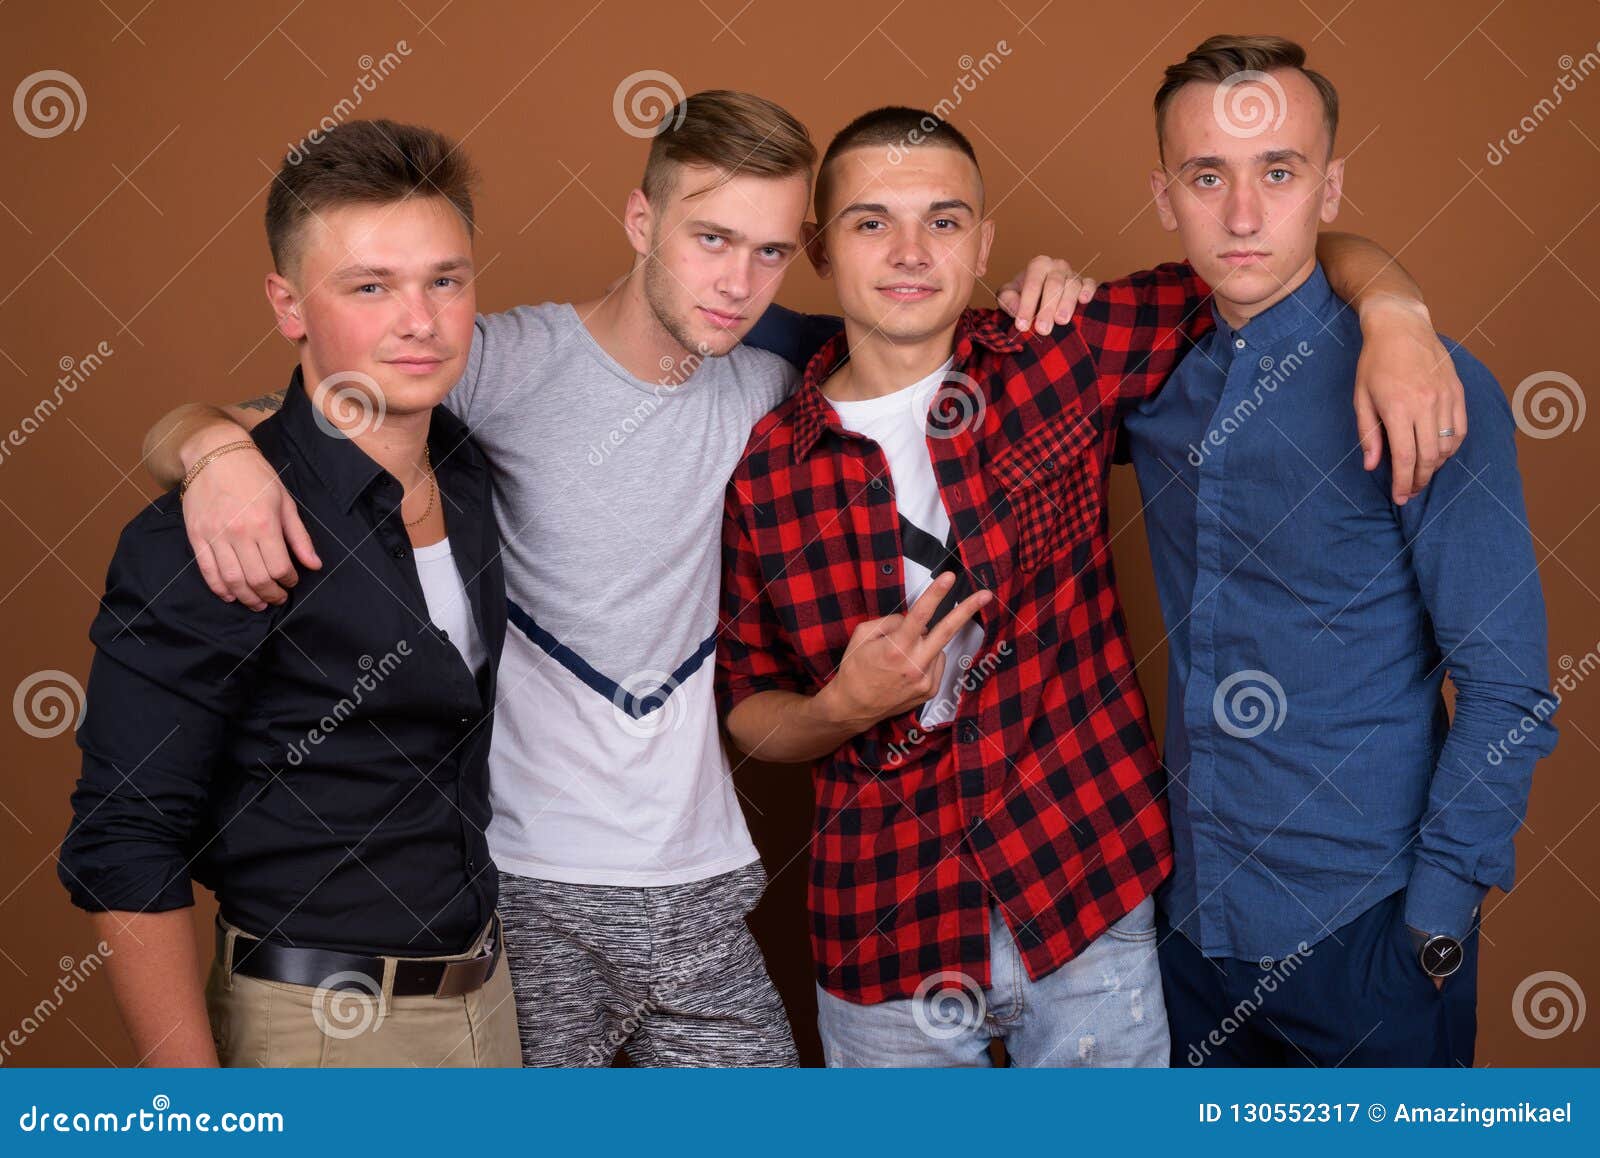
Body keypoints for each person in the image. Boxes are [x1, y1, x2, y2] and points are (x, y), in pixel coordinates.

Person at [135, 95, 1089, 1066]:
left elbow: (915, 327)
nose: (737, 282)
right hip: (527, 884)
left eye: (768, 251)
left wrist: (1030, 295)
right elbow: (315, 419)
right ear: (641, 222)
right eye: (711, 238)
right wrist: (208, 445)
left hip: (704, 882)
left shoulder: (772, 373)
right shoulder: (501, 362)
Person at [719, 104, 1466, 1066]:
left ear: (983, 240)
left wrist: (1397, 316)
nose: (910, 251)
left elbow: (1278, 259)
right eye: (873, 222)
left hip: (1082, 892)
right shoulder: (770, 469)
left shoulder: (1062, 353)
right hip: (883, 924)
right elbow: (748, 708)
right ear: (821, 249)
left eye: (943, 221)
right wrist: (838, 708)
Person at [1121, 34, 1557, 1067]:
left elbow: (1507, 688)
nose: (1240, 214)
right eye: (1206, 176)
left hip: (1367, 937)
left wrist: (1436, 923)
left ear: (1329, 187)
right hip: (1188, 932)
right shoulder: (1143, 381)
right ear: (1163, 195)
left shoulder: (1430, 390)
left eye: (1279, 172)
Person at [58, 119, 519, 1066]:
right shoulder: (213, 531)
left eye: (446, 278)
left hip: (489, 1005)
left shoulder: (468, 474)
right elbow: (124, 838)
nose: (420, 320)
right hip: (319, 1028)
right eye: (369, 287)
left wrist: (201, 432)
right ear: (288, 304)